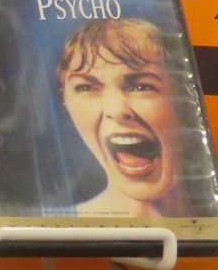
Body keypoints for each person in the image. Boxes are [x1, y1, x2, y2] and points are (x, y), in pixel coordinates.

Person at [57, 17, 192, 217]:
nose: (116, 111)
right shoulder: (48, 232)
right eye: (86, 87)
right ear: (65, 99)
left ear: (184, 97)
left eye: (141, 87)